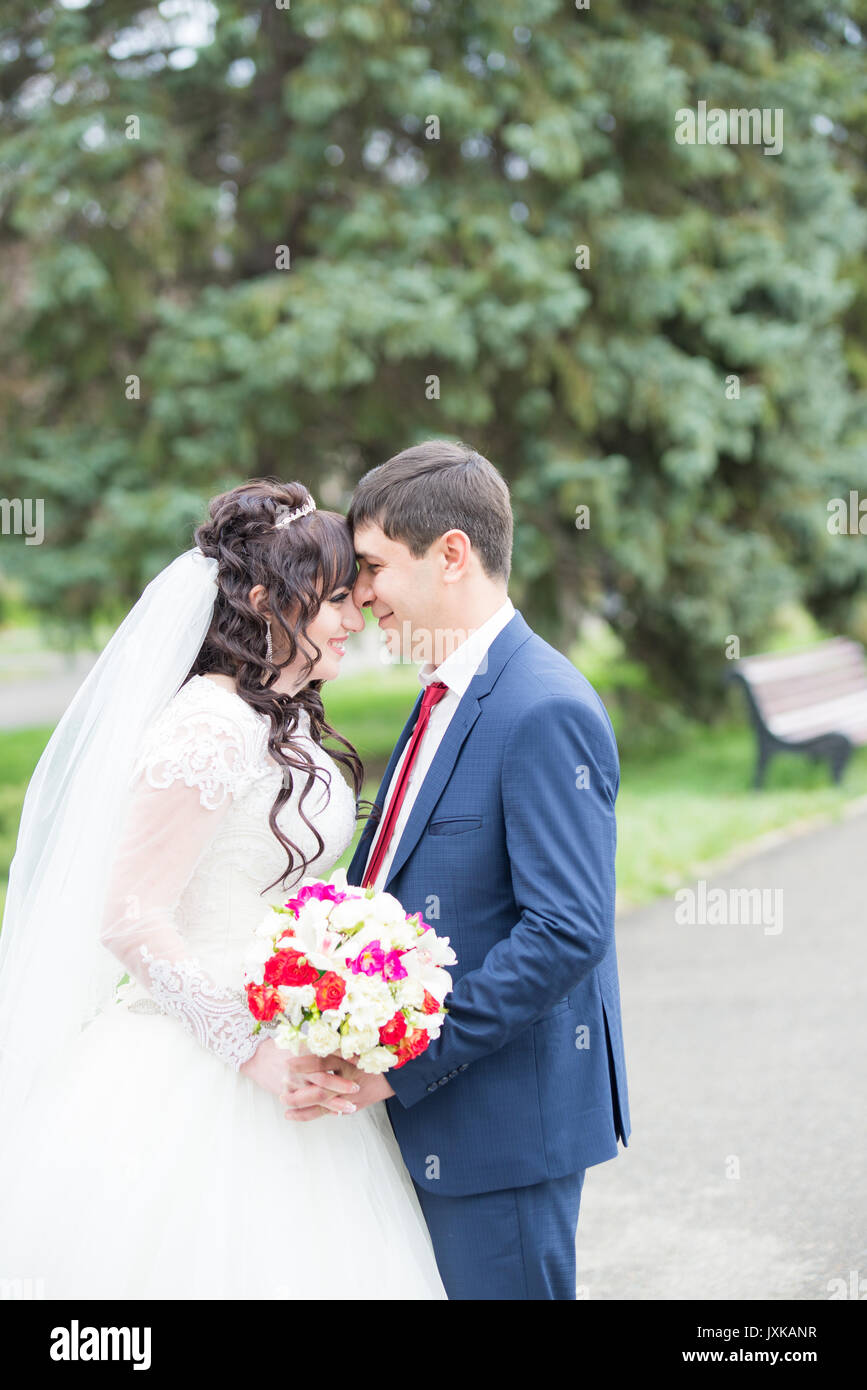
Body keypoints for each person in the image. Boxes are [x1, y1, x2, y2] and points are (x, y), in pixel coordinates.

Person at [0, 479, 446, 1300]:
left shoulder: (286, 716)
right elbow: (131, 917)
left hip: (297, 1049)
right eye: (337, 600)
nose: (355, 619)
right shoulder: (207, 726)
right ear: (262, 598)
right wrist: (252, 1052)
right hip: (201, 1065)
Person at [279, 441, 631, 1301]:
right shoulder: (445, 691)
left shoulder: (540, 706)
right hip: (437, 1121)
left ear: (450, 554)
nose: (358, 596)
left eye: (371, 567)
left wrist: (399, 1064)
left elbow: (566, 930)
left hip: (500, 1128)